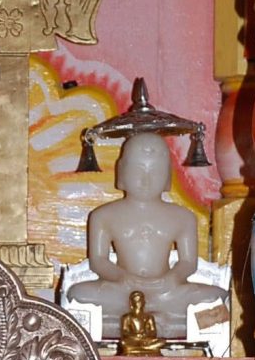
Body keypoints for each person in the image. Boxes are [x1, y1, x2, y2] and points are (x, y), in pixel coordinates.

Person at [68, 130, 225, 338]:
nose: (146, 180)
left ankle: (128, 326)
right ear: (121, 172)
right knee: (77, 295)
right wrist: (123, 277)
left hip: (166, 292)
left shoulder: (183, 217)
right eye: (138, 170)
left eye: (156, 171)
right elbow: (98, 261)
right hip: (122, 291)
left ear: (168, 175)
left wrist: (171, 279)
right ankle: (164, 326)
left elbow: (188, 263)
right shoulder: (103, 216)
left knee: (216, 299)